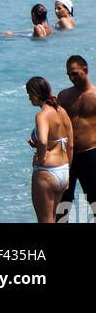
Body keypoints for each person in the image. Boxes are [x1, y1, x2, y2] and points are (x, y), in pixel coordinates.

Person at [26, 75, 74, 224]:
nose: (29, 98)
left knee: (45, 221)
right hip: (63, 169)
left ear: (35, 94)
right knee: (54, 219)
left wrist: (40, 158)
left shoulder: (42, 115)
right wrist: (68, 171)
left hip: (46, 171)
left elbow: (43, 140)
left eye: (29, 94)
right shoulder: (62, 111)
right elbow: (70, 144)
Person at [57, 55, 96, 211]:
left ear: (85, 70)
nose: (71, 78)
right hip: (67, 155)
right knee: (62, 201)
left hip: (91, 154)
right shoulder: (64, 96)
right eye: (68, 74)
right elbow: (55, 122)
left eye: (74, 73)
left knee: (94, 199)